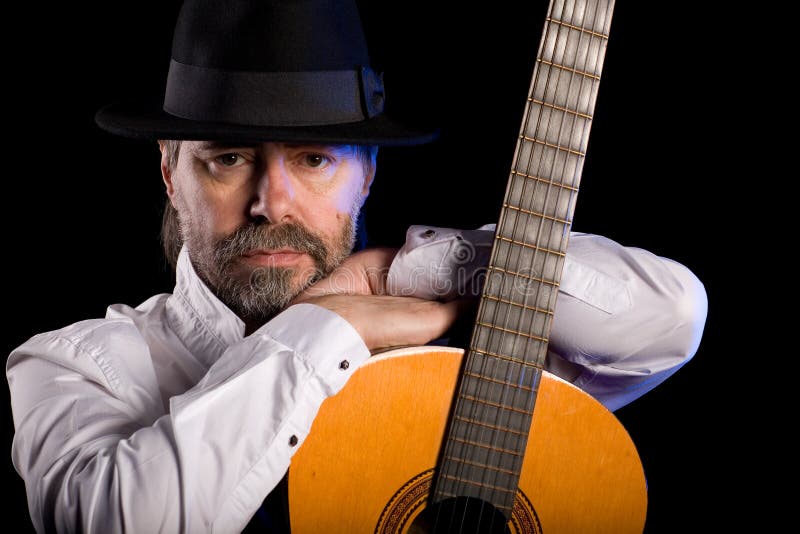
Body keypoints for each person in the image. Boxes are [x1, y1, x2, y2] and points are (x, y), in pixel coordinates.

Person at [6, 0, 707, 532]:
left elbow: (668, 319)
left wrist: (426, 272)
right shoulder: (77, 362)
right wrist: (324, 323)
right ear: (168, 173)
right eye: (228, 158)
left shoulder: (471, 356)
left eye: (313, 160)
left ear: (366, 175)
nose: (270, 203)